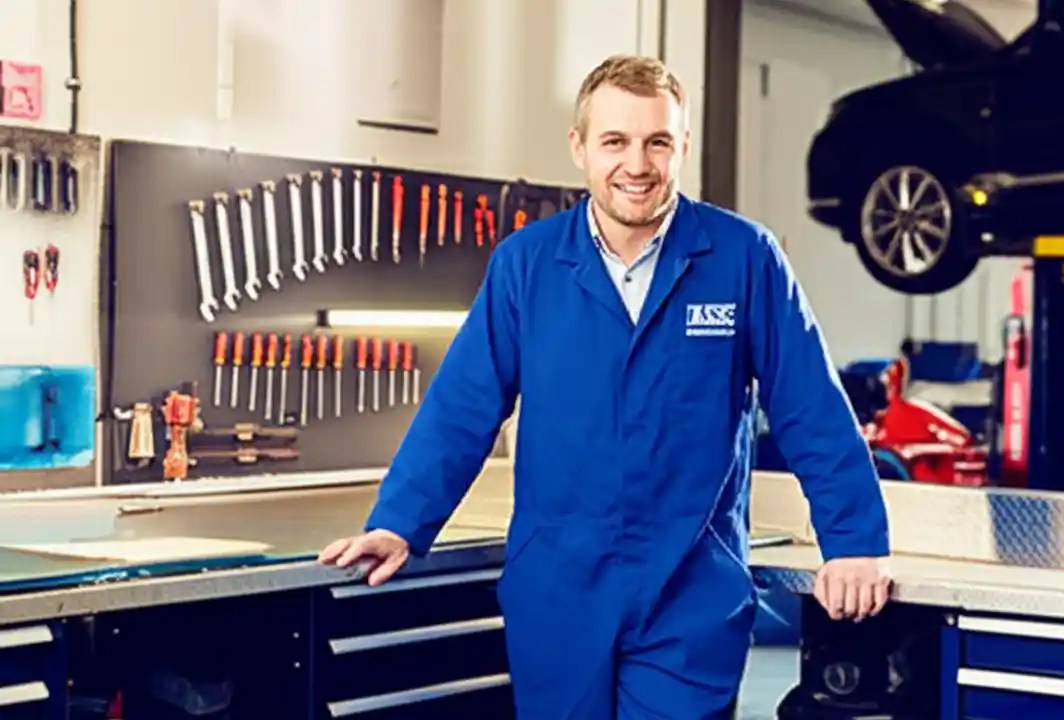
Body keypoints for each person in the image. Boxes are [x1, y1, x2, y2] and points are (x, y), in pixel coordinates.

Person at [320, 53, 892, 718]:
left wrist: (853, 543)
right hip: (558, 594)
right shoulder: (526, 267)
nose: (637, 165)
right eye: (615, 141)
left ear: (682, 146)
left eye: (657, 142)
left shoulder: (744, 258)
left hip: (691, 592)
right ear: (580, 147)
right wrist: (399, 522)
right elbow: (461, 409)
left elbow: (811, 408)